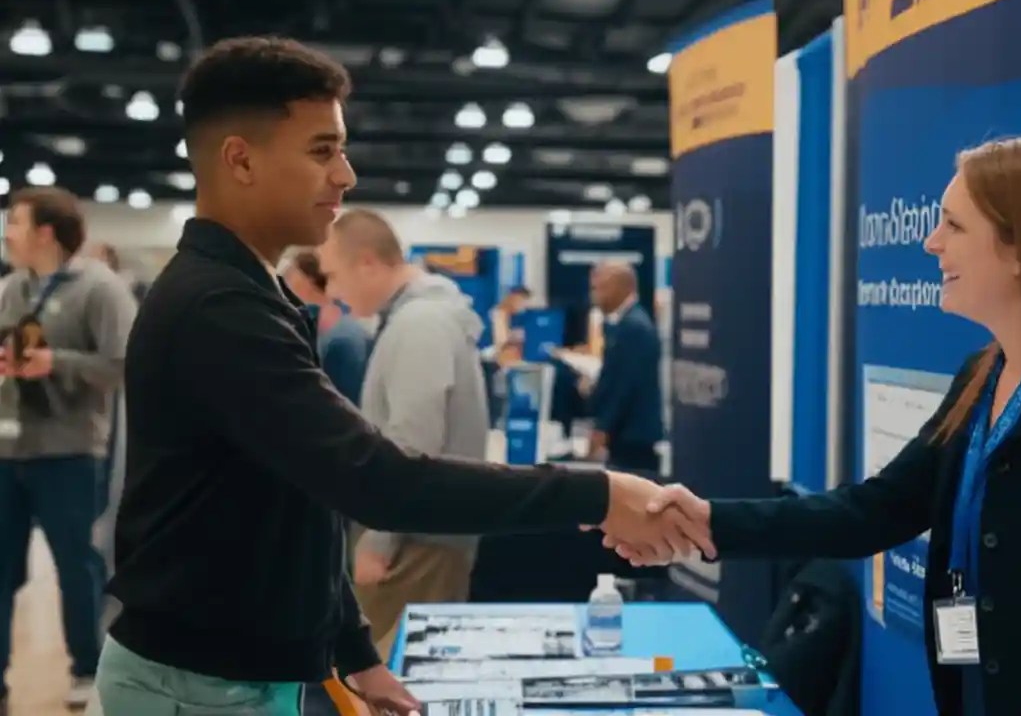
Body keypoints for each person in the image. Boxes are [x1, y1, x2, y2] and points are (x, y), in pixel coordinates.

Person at [97, 36, 710, 716]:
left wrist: (354, 652)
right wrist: (598, 494)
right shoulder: (218, 307)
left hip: (232, 675)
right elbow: (378, 480)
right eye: (322, 151)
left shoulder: (253, 295)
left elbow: (302, 495)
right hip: (195, 685)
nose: (346, 174)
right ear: (240, 159)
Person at [604, 137, 1021, 716]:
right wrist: (706, 520)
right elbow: (873, 511)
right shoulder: (981, 378)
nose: (932, 242)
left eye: (954, 226)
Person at [317, 209, 488, 658]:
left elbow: (413, 443)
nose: (332, 292)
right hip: (420, 535)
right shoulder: (418, 319)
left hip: (416, 545)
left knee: (387, 676)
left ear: (367, 263)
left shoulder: (420, 325)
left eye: (333, 276)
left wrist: (378, 541)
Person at [0, 188, 138, 712]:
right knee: (2, 570)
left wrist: (55, 362)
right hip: (7, 451)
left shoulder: (101, 289)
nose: (7, 233)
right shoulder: (10, 288)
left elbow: (124, 365)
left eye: (15, 222)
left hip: (72, 453)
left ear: (45, 232)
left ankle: (85, 666)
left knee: (77, 567)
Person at [587, 262, 663, 472]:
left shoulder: (634, 328)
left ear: (621, 287)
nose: (595, 296)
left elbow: (624, 384)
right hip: (626, 433)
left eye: (600, 288)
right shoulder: (625, 324)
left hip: (632, 434)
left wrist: (603, 427)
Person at [281, 248, 370, 405]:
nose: (287, 278)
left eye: (292, 273)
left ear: (307, 280)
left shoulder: (342, 336)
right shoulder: (317, 318)